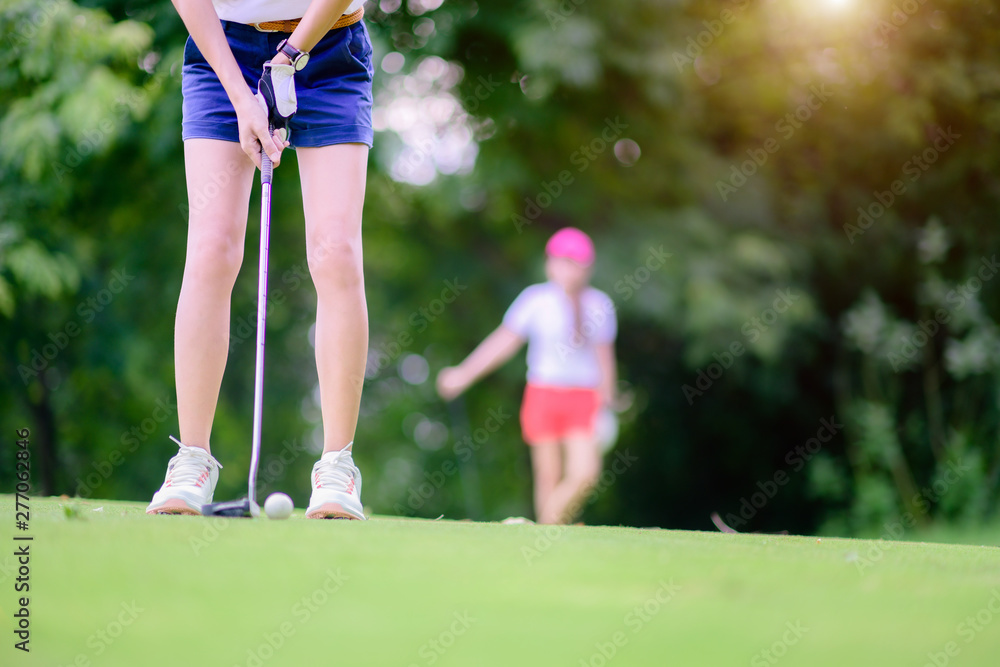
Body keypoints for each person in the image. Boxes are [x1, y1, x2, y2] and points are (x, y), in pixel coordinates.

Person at [146, 0, 372, 519]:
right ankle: (192, 460)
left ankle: (338, 465)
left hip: (331, 49)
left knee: (336, 252)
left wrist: (290, 55)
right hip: (224, 50)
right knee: (211, 247)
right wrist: (239, 93)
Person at [436, 228, 618, 524]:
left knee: (585, 474)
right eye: (562, 261)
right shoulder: (535, 300)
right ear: (549, 263)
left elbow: (605, 360)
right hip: (543, 393)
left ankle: (547, 524)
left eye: (575, 262)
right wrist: (463, 374)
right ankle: (550, 542)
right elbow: (503, 343)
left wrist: (608, 404)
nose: (568, 269)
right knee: (547, 475)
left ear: (587, 268)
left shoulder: (599, 305)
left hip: (584, 397)